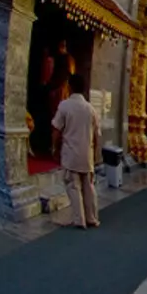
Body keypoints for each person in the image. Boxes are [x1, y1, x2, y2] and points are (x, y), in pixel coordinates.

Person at [51, 74, 101, 230]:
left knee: (73, 186)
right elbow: (96, 136)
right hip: (87, 154)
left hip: (71, 153)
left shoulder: (65, 106)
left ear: (69, 86)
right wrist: (96, 154)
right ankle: (92, 218)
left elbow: (56, 130)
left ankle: (79, 220)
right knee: (88, 186)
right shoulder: (91, 109)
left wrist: (54, 147)